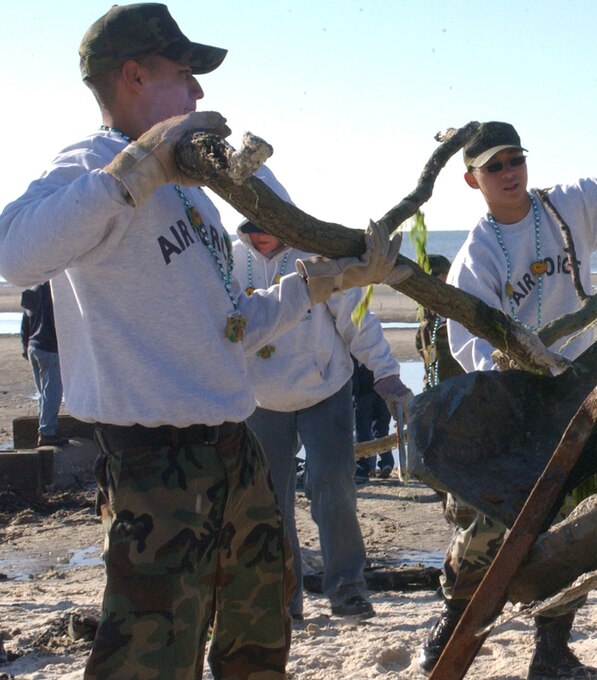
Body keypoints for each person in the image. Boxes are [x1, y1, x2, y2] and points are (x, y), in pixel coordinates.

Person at [0, 4, 408, 677]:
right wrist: (135, 172)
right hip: (155, 464)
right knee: (152, 656)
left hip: (231, 445)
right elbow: (15, 252)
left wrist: (323, 282)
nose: (199, 93)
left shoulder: (193, 192)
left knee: (259, 635)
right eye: (185, 74)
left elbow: (232, 326)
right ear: (133, 75)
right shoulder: (94, 163)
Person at [417, 121, 597, 679]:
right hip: (514, 399)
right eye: (495, 167)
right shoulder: (476, 257)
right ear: (471, 179)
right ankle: (449, 623)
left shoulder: (565, 209)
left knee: (571, 524)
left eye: (515, 160)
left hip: (580, 390)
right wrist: (515, 371)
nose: (509, 173)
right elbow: (468, 344)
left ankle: (552, 649)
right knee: (490, 523)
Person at [233, 171, 414, 622]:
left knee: (333, 491)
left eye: (270, 220)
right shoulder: (227, 260)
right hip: (261, 401)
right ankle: (283, 599)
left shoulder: (316, 254)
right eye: (252, 222)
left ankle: (348, 590)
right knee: (270, 505)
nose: (261, 232)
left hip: (324, 390)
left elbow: (357, 320)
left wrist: (386, 374)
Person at [20, 282, 68, 447]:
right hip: (49, 348)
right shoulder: (56, 291)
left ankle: (45, 429)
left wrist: (24, 347)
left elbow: (25, 321)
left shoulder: (33, 289)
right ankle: (47, 432)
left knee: (43, 392)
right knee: (52, 391)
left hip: (33, 346)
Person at [415, 253, 464, 390]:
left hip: (466, 398)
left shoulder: (463, 317)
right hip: (440, 399)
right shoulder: (425, 327)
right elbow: (429, 369)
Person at [352, 358, 396, 483]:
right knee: (381, 431)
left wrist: (353, 395)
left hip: (363, 396)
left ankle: (363, 468)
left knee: (363, 433)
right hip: (382, 394)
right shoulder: (379, 352)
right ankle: (386, 462)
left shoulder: (354, 351)